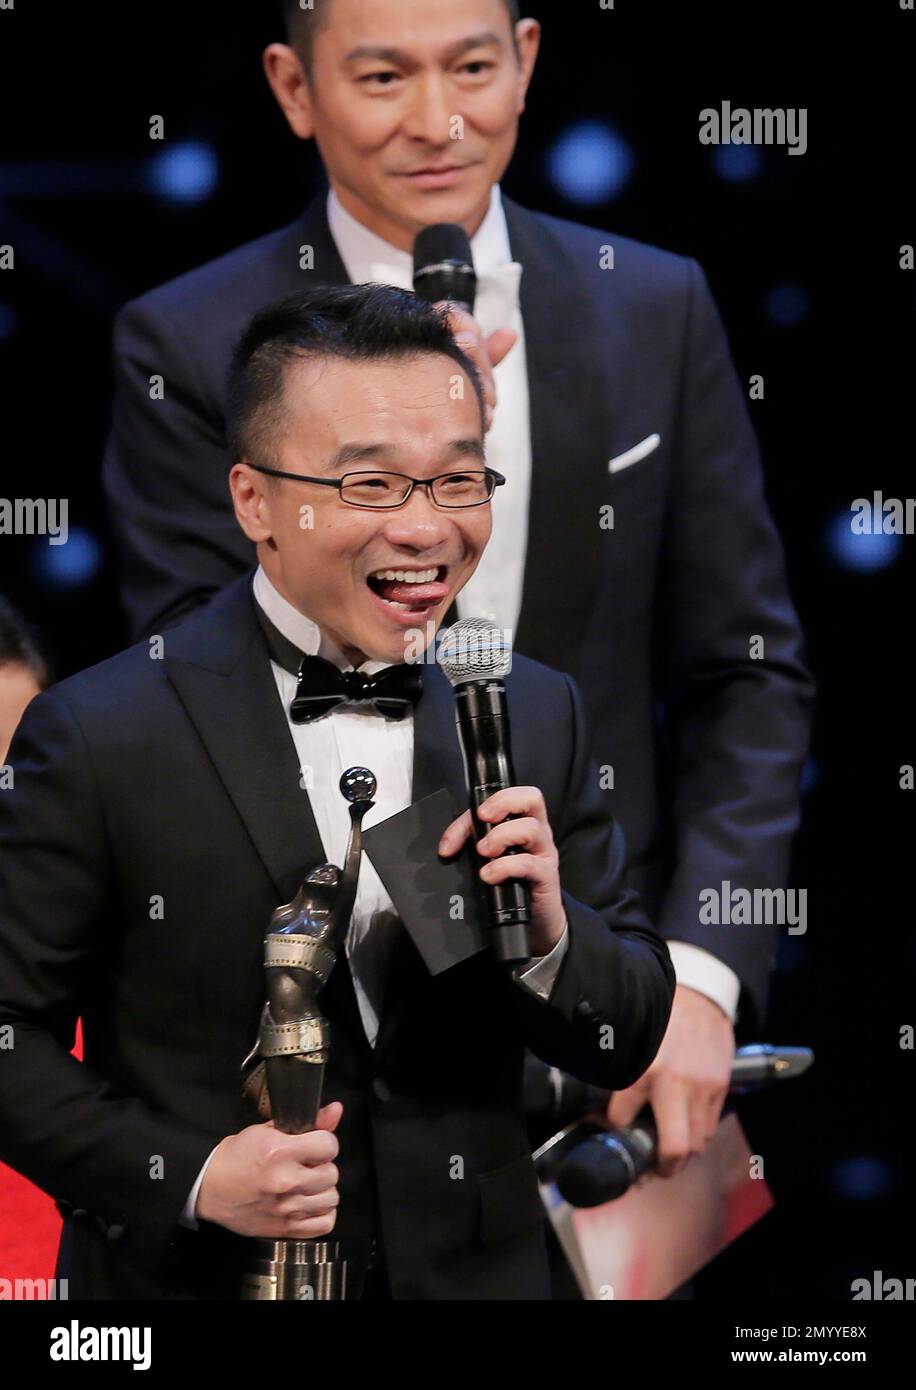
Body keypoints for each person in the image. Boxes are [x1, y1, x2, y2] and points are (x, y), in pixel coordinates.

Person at [101, 0, 814, 1191]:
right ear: (293, 87)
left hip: (609, 1005)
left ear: (527, 62)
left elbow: (746, 669)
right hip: (321, 1034)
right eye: (381, 76)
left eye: (472, 67)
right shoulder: (188, 336)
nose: (437, 120)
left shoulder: (652, 306)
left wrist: (691, 977)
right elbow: (190, 684)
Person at [0, 284, 675, 1300]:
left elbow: (623, 1032)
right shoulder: (103, 729)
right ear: (253, 500)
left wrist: (549, 939)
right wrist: (188, 1176)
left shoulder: (533, 709)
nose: (425, 529)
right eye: (371, 485)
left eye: (457, 480)